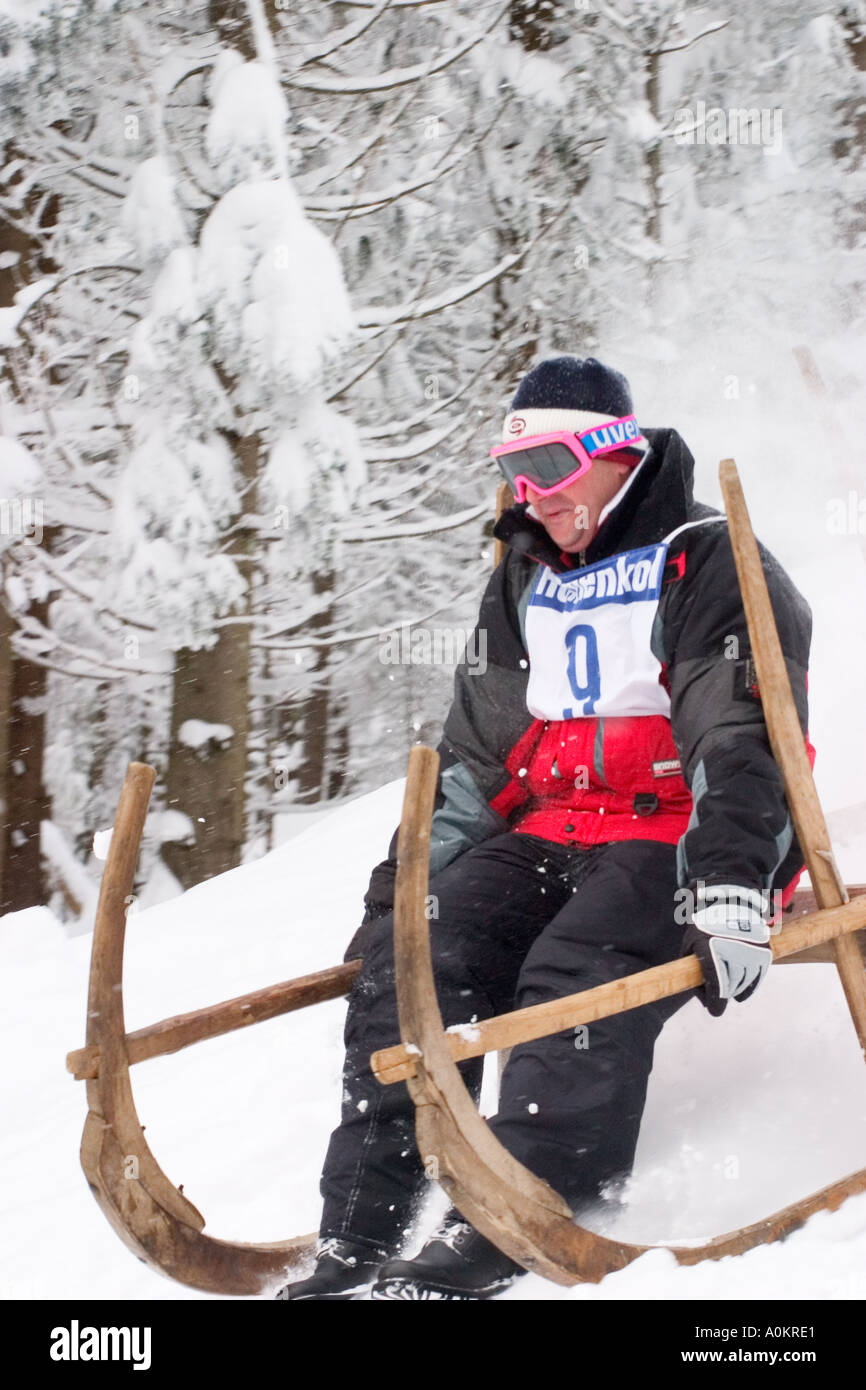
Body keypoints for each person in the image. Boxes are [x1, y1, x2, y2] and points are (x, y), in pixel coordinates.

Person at [276, 355, 814, 1301]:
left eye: (554, 467)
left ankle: (520, 1212)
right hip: (555, 828)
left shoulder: (703, 557)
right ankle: (361, 1234)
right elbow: (473, 762)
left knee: (576, 967)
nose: (535, 496)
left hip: (680, 833)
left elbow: (741, 736)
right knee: (422, 964)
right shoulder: (525, 576)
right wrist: (396, 904)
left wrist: (733, 884)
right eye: (516, 472)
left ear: (616, 454)